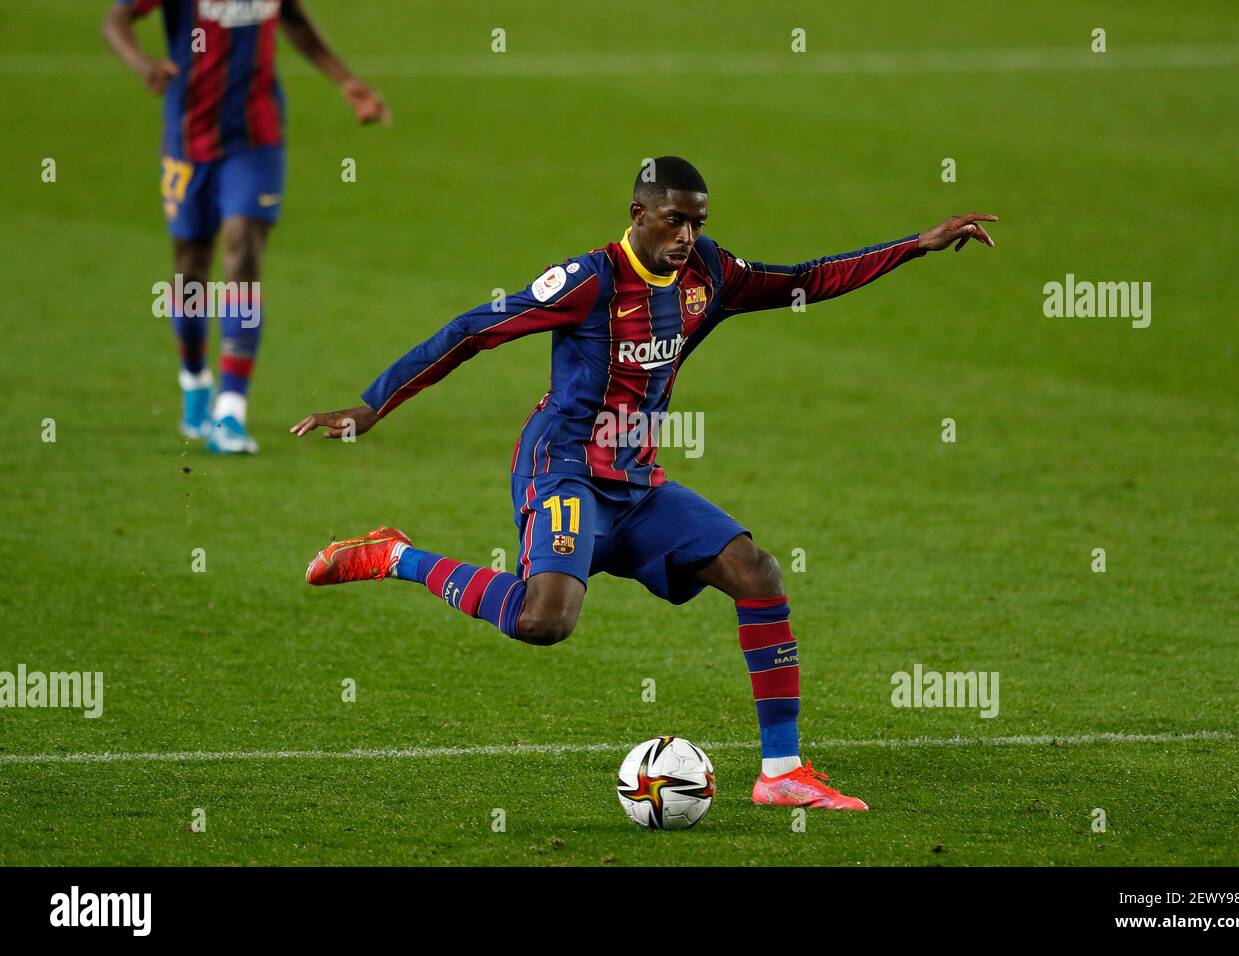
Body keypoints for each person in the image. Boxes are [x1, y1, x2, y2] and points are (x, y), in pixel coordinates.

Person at [292, 157, 996, 810]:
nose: (688, 235)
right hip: (563, 470)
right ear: (637, 212)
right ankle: (395, 556)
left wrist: (917, 244)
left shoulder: (709, 276)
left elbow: (804, 279)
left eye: (698, 223)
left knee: (757, 572)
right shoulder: (588, 280)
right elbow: (474, 330)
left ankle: (782, 773)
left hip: (636, 480)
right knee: (545, 622)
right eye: (675, 220)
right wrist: (372, 404)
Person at [103, 0, 390, 453]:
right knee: (191, 267)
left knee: (243, 251)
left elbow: (292, 18)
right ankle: (195, 380)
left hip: (257, 140)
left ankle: (230, 411)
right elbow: (117, 18)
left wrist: (345, 79)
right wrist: (142, 64)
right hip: (188, 137)